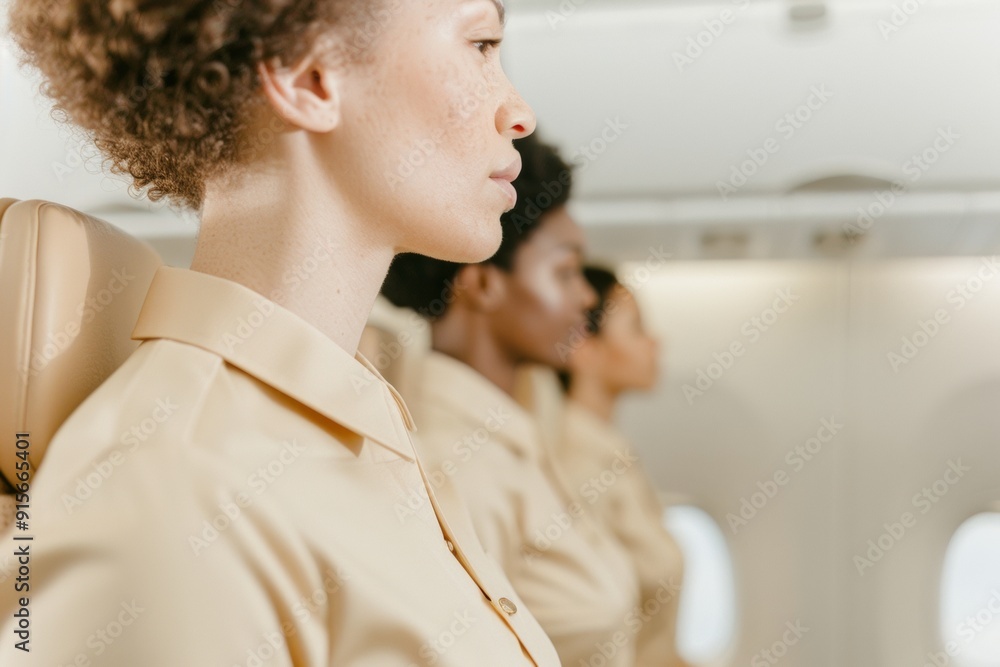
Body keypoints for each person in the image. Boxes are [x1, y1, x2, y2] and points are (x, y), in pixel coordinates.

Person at [0, 1, 562, 664]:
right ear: (309, 79)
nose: (519, 113)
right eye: (480, 44)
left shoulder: (369, 434)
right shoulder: (183, 504)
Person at [381, 133, 642, 667]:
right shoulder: (456, 460)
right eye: (565, 271)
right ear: (480, 285)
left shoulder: (514, 443)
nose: (587, 297)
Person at [560, 266, 689, 667]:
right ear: (585, 348)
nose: (654, 342)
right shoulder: (575, 466)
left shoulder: (615, 456)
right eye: (636, 327)